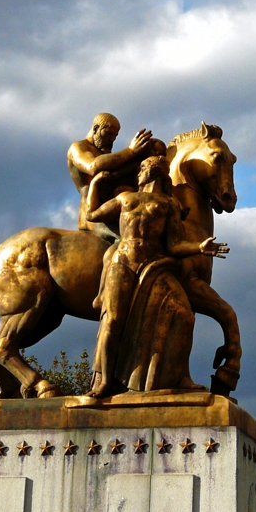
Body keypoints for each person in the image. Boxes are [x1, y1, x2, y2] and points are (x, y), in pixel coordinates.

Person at [85, 155, 229, 397]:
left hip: (154, 264)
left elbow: (174, 245)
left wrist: (199, 247)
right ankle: (105, 381)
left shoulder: (170, 204)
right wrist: (95, 185)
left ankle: (178, 377)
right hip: (123, 262)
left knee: (184, 315)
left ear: (151, 172)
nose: (138, 175)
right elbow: (92, 214)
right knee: (113, 320)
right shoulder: (125, 198)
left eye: (141, 170)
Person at [67, 113, 154, 242]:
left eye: (115, 136)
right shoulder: (78, 148)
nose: (111, 139)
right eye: (108, 133)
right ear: (96, 129)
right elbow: (93, 166)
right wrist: (130, 151)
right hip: (94, 215)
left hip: (114, 209)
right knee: (133, 237)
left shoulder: (107, 155)